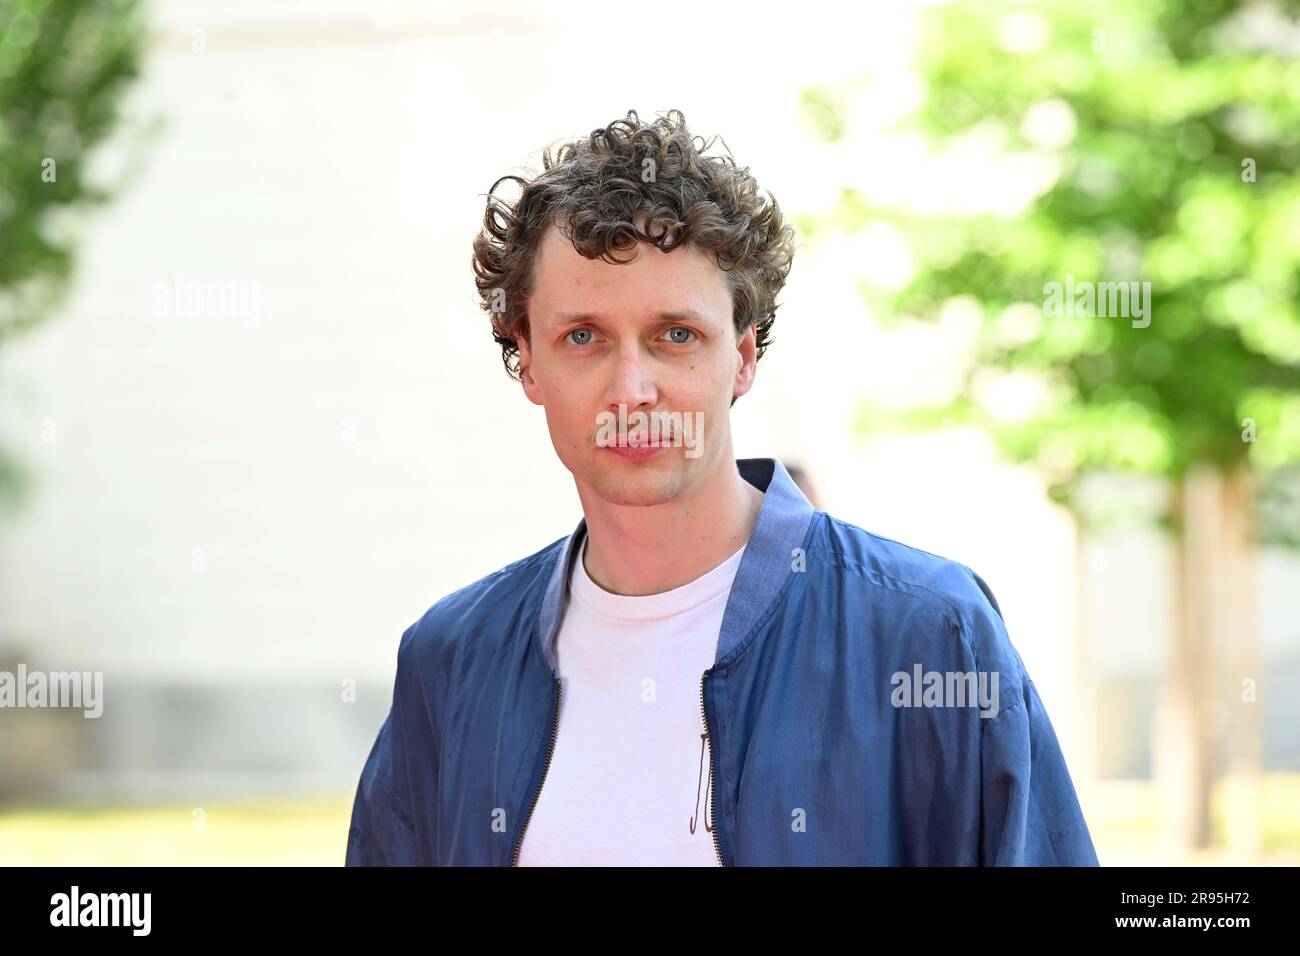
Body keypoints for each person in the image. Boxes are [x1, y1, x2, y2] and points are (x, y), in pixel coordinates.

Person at [345, 109, 1098, 866]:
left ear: (741, 358)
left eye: (676, 334)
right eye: (584, 337)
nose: (631, 389)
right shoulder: (450, 662)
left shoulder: (930, 635)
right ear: (530, 361)